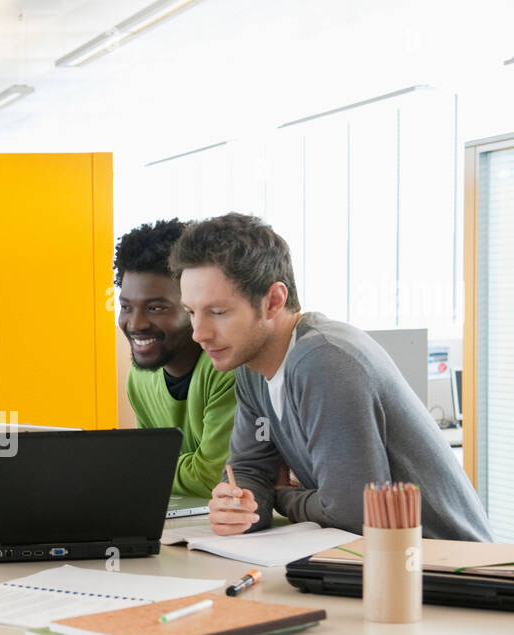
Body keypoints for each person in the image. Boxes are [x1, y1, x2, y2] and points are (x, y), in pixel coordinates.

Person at [170, 213, 492, 541]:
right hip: (369, 558)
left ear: (273, 302)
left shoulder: (324, 360)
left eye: (218, 312)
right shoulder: (250, 368)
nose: (199, 333)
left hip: (442, 565)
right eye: (191, 312)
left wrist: (283, 497)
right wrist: (237, 508)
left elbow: (355, 513)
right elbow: (251, 472)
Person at [115, 219, 236, 497]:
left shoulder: (226, 369)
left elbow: (213, 477)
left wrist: (136, 466)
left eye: (156, 307)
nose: (136, 324)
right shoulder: (141, 376)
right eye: (126, 307)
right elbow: (146, 461)